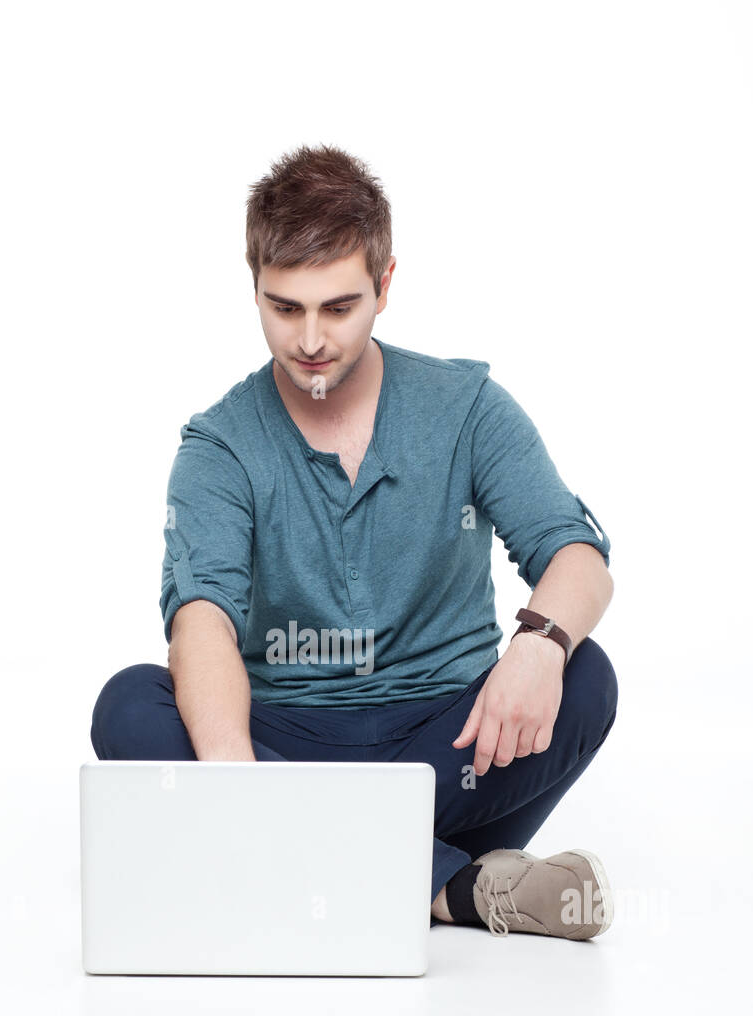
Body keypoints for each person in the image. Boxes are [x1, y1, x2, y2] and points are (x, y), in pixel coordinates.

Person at [91, 143, 619, 941]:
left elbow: (574, 557)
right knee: (129, 704)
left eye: (338, 308)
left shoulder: (468, 408)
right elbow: (203, 619)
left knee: (587, 674)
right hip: (283, 742)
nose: (309, 340)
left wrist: (540, 646)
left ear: (385, 285)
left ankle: (294, 864)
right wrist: (235, 778)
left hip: (447, 739)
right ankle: (459, 887)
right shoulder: (219, 447)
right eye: (284, 307)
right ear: (255, 289)